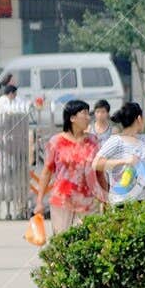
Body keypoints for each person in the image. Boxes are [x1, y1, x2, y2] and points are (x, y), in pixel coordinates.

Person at [32, 100, 106, 236]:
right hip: (62, 201)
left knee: (88, 242)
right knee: (63, 242)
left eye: (88, 114)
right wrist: (39, 201)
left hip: (88, 202)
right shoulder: (56, 142)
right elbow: (47, 172)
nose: (88, 118)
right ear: (72, 118)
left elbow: (99, 173)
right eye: (84, 114)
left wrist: (106, 197)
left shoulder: (93, 141)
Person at [97, 102, 145, 202]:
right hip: (121, 203)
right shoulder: (115, 141)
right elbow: (97, 164)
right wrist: (125, 161)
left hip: (144, 203)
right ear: (139, 119)